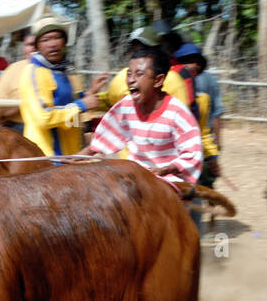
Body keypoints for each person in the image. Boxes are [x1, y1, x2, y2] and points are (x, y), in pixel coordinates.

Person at [83, 45, 203, 222]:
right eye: (129, 74)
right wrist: (83, 155)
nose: (131, 80)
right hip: (134, 179)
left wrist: (166, 168)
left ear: (158, 80)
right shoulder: (126, 105)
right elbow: (109, 132)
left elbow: (192, 153)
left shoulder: (177, 113)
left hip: (167, 182)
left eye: (139, 74)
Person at [18, 18, 106, 154]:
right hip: (46, 159)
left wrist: (90, 92)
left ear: (64, 41)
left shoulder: (65, 71)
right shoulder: (33, 72)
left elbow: (70, 102)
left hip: (70, 156)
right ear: (37, 46)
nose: (52, 44)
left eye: (56, 37)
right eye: (45, 40)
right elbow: (43, 116)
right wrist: (81, 105)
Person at [174, 43, 225, 191]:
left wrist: (217, 144)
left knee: (205, 184)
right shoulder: (173, 80)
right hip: (182, 144)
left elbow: (216, 112)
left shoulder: (208, 81)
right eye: (188, 60)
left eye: (196, 62)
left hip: (202, 141)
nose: (193, 65)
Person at [0, 30, 37, 129]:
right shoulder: (13, 69)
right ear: (24, 47)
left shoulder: (58, 71)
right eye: (30, 44)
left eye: (37, 44)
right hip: (18, 128)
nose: (34, 49)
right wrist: (25, 100)